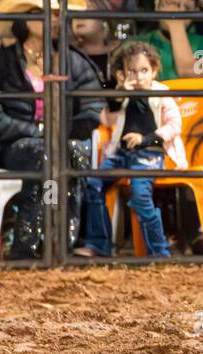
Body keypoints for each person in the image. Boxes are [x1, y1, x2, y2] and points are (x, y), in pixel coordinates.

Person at [0, 0, 104, 259]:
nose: (54, 20)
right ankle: (27, 246)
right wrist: (38, 131)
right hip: (17, 144)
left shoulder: (73, 61)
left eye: (57, 14)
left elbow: (92, 108)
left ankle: (62, 243)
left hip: (62, 141)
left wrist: (62, 133)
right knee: (41, 153)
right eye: (46, 13)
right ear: (26, 19)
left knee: (76, 152)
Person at [77, 40, 186, 258]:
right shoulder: (122, 94)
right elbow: (106, 120)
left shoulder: (161, 94)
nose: (138, 77)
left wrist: (145, 139)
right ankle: (99, 243)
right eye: (132, 71)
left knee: (140, 194)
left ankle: (159, 251)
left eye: (144, 70)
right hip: (121, 154)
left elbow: (175, 125)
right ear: (122, 73)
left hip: (149, 154)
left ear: (154, 71)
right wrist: (118, 95)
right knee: (93, 184)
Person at [68, 0, 116, 80]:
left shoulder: (121, 52)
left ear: (103, 17)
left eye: (88, 10)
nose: (79, 16)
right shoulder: (67, 55)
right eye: (76, 11)